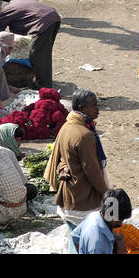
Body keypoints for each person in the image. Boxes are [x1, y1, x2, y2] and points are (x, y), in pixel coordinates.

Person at [45, 89, 108, 223]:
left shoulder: (68, 125)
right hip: (82, 200)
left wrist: (64, 167)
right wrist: (106, 194)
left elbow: (63, 156)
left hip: (70, 196)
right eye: (94, 105)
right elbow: (92, 171)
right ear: (81, 108)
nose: (98, 109)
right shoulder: (84, 135)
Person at [0, 0, 63, 88]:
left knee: (37, 57)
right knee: (43, 55)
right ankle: (41, 82)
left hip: (42, 23)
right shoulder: (17, 2)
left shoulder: (6, 11)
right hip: (53, 17)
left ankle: (44, 88)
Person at [72, 187, 133, 254]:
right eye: (120, 219)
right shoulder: (98, 246)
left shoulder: (93, 216)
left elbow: (75, 236)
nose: (121, 223)